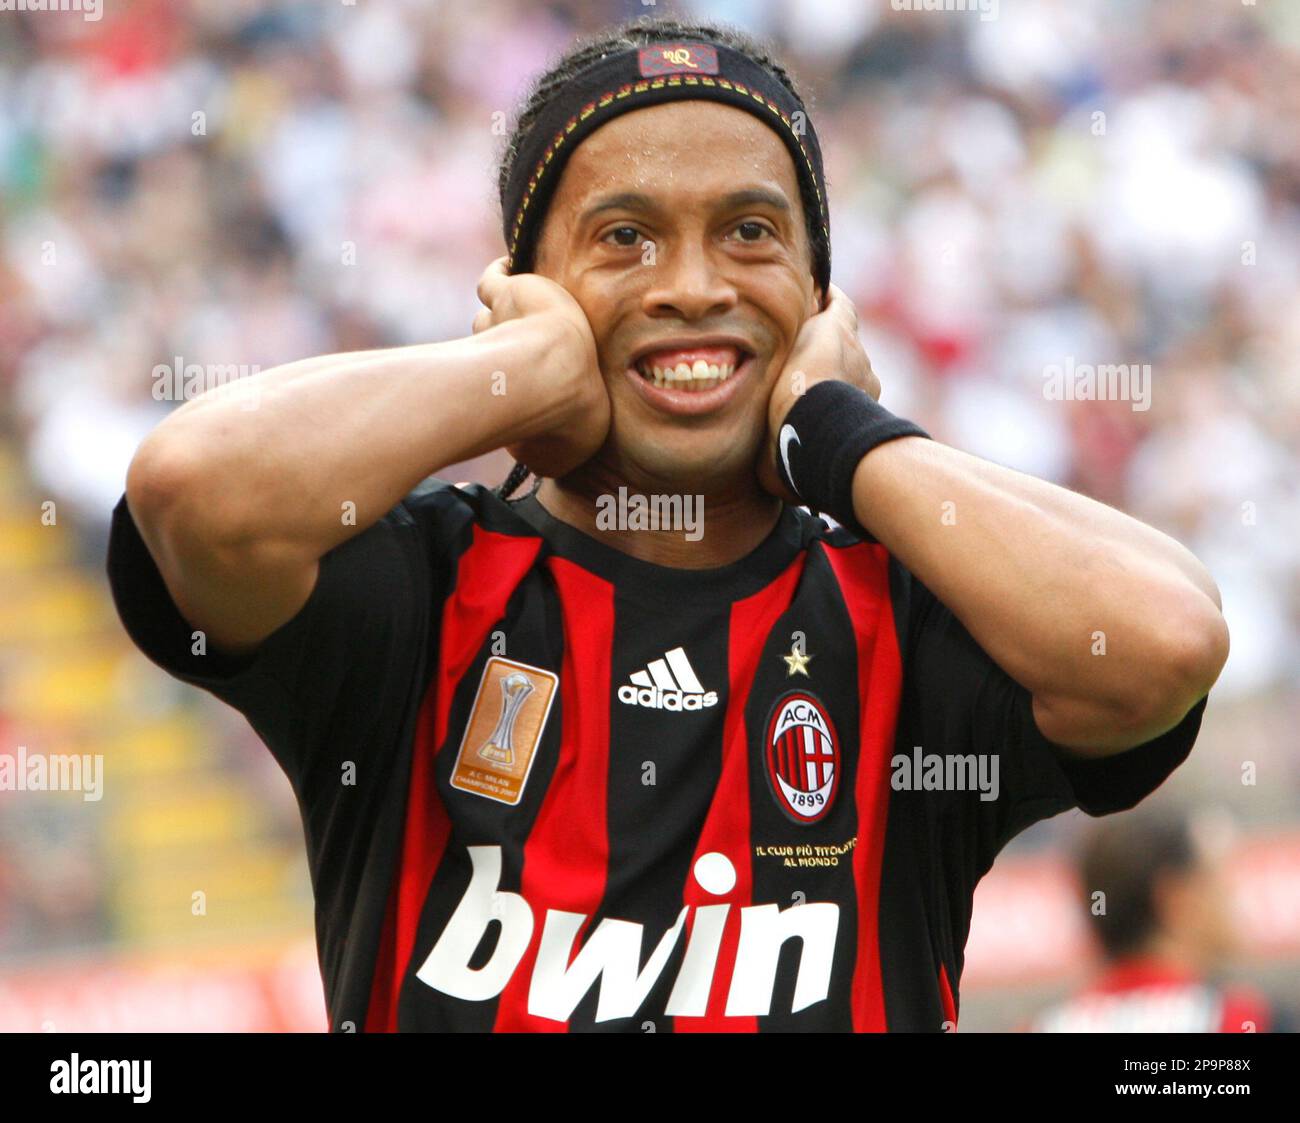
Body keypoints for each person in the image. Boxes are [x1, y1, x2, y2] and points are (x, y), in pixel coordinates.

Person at [106, 17, 1228, 1032]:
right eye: (623, 238)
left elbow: (1162, 643)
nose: (691, 285)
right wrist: (520, 367)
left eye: (749, 232)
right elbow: (189, 492)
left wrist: (840, 436)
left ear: (819, 293)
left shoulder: (906, 617)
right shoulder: (417, 594)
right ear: (524, 282)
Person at [1031, 810, 1278, 1033]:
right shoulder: (1247, 1019)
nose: (1232, 900)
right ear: (1177, 899)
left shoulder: (1041, 1026)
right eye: (1219, 884)